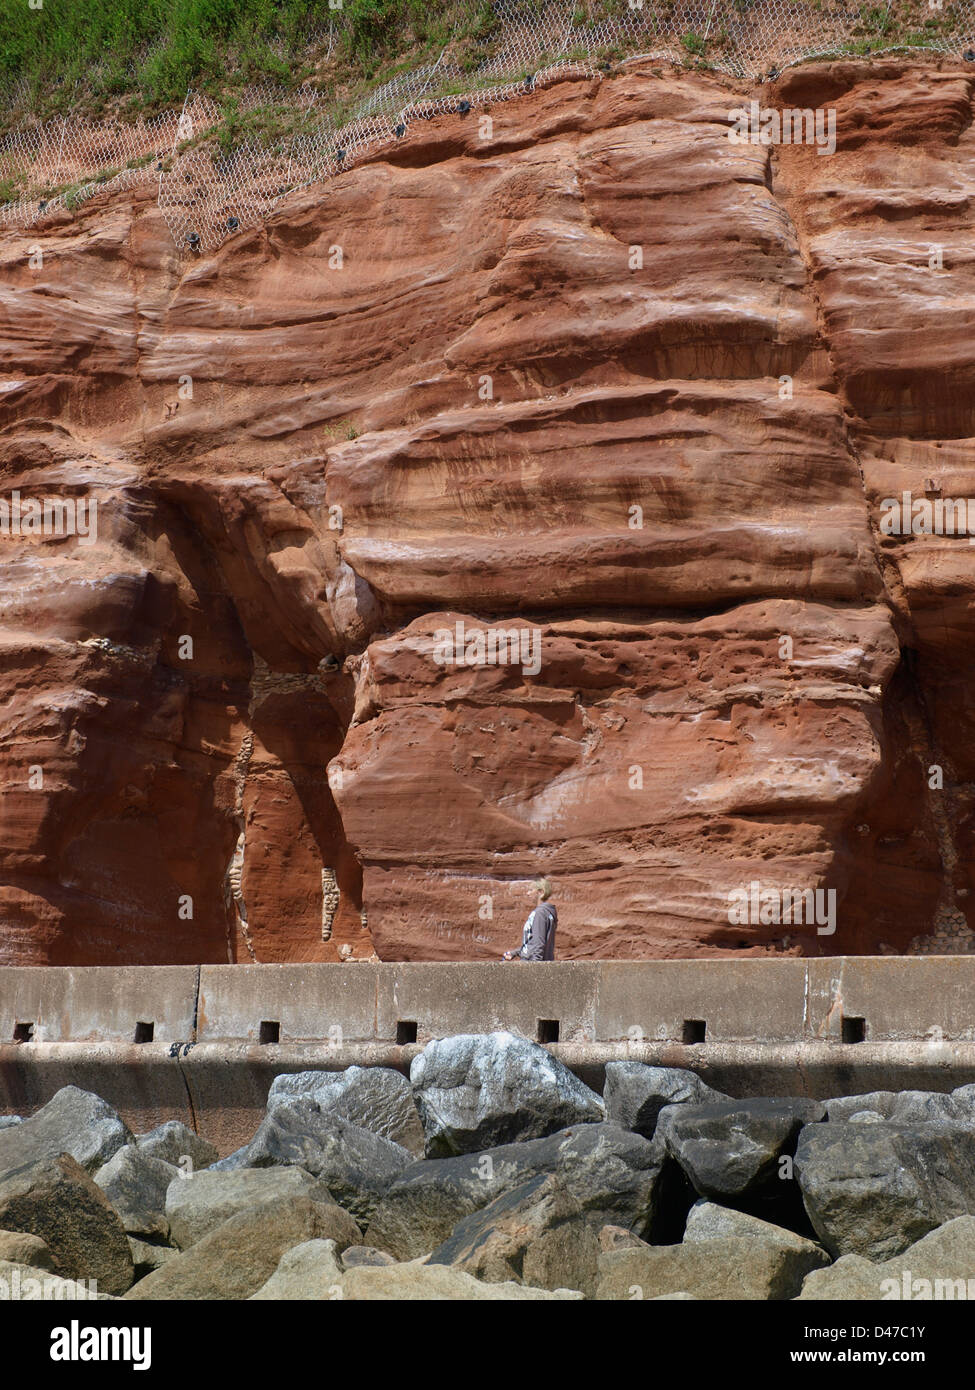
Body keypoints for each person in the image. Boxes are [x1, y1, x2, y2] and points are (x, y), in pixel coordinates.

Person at [502, 878, 557, 961]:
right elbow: (531, 943)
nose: (528, 893)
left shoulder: (540, 913)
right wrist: (515, 953)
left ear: (541, 892)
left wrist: (534, 968)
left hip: (531, 963)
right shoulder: (547, 912)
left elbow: (539, 943)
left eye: (531, 890)